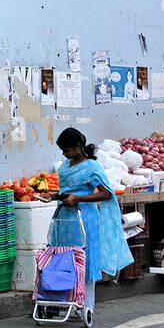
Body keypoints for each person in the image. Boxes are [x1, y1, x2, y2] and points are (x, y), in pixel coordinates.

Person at [48, 128, 133, 313]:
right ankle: (65, 303)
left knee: (84, 262)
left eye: (68, 150)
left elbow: (106, 193)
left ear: (78, 147)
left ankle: (85, 306)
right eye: (62, 151)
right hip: (64, 220)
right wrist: (56, 196)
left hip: (85, 220)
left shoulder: (92, 167)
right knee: (63, 259)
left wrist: (78, 199)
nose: (65, 154)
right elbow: (67, 189)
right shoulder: (64, 166)